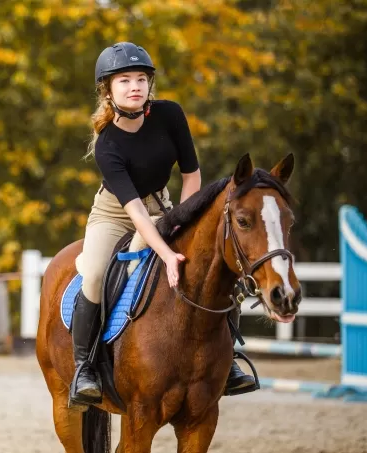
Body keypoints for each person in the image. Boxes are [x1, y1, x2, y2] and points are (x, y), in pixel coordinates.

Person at [69, 42, 257, 406]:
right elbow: (135, 213)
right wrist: (169, 255)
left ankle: (229, 359)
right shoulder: (108, 143)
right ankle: (85, 367)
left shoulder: (170, 115)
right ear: (107, 90)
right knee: (92, 274)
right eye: (124, 80)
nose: (135, 86)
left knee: (214, 260)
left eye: (141, 78)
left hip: (166, 205)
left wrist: (183, 223)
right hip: (116, 213)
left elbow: (192, 175)